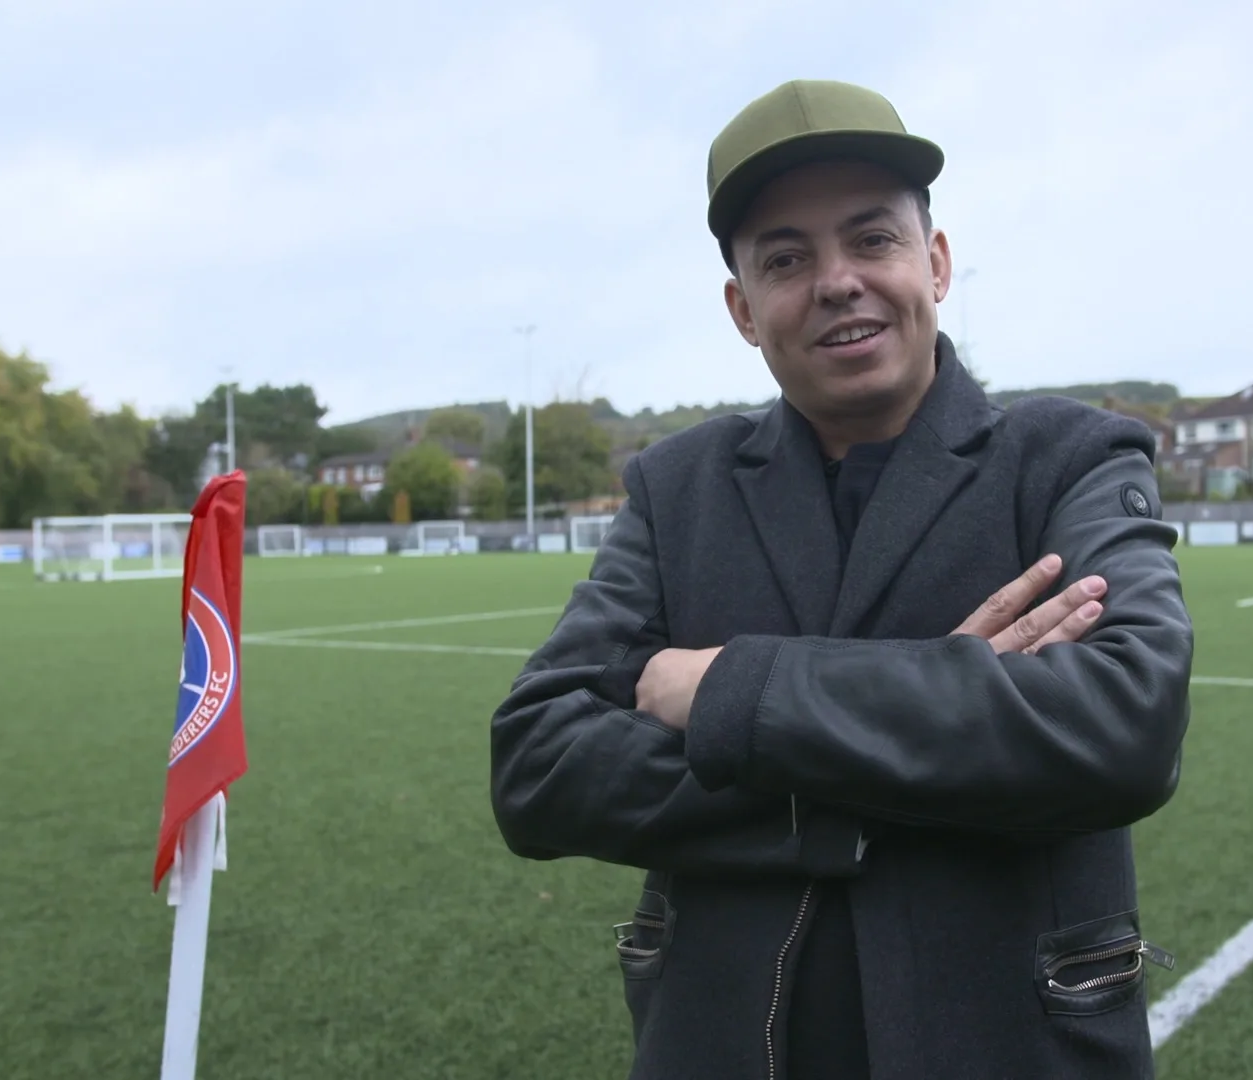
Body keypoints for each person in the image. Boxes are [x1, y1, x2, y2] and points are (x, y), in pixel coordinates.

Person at [490, 78, 1194, 1080]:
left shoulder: (1070, 459)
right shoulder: (676, 488)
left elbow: (1127, 724)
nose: (836, 281)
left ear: (936, 263)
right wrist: (940, 706)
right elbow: (538, 766)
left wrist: (733, 689)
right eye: (787, 258)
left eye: (873, 240)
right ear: (742, 308)